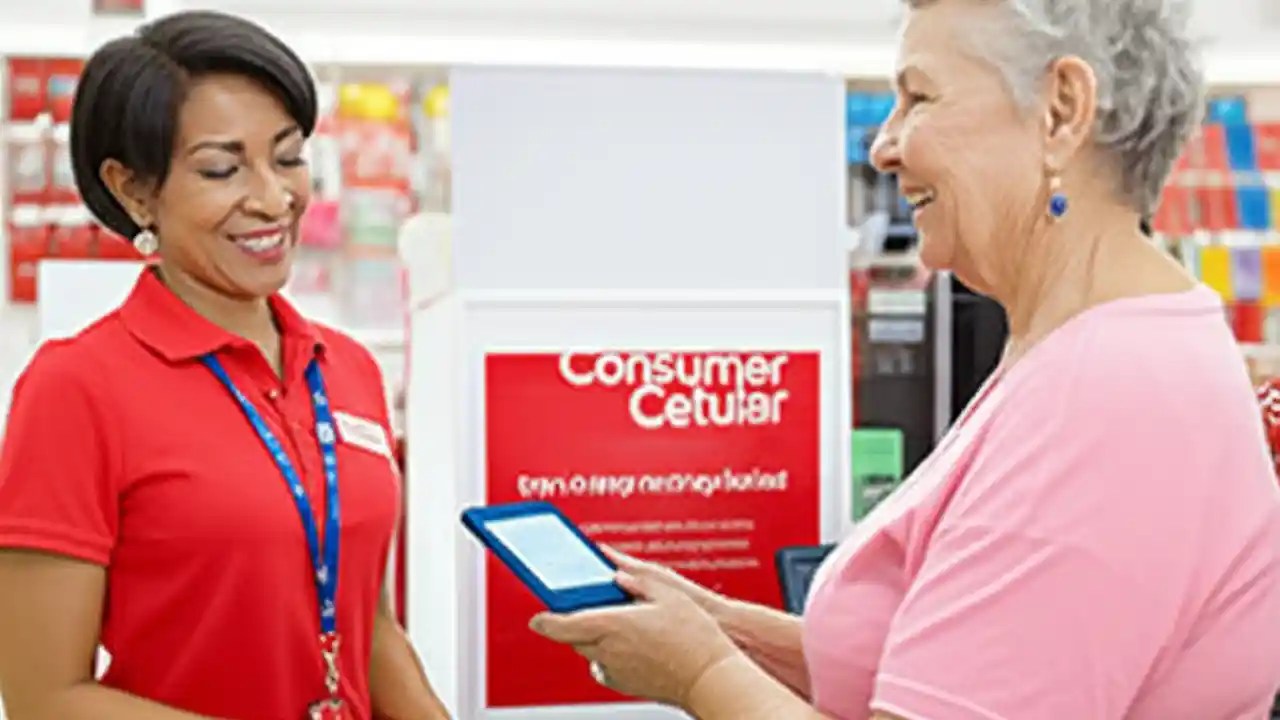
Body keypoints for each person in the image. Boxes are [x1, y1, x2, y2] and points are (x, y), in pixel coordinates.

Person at [530, 1, 1280, 718]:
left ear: (1060, 111)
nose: (884, 145)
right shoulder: (1085, 347)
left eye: (919, 98)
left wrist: (699, 674)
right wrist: (727, 630)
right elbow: (956, 670)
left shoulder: (1108, 396)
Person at [0, 11, 449, 720]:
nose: (274, 199)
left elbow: (364, 625)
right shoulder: (77, 388)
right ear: (134, 190)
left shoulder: (349, 369)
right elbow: (43, 697)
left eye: (289, 157)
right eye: (222, 169)